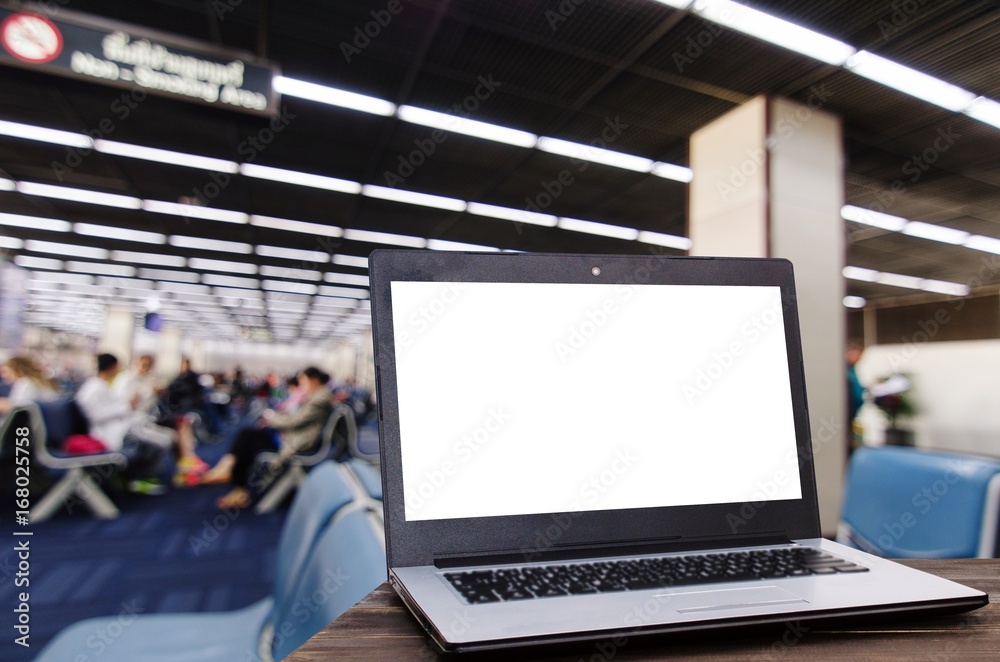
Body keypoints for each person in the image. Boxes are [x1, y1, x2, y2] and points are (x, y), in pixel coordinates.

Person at [201, 367, 334, 509]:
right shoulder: (317, 396)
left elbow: (295, 421)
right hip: (293, 438)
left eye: (304, 381)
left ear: (314, 380)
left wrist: (273, 419)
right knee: (247, 435)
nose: (302, 385)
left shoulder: (319, 398)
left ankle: (236, 484)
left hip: (297, 444)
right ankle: (229, 472)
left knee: (248, 440)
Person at [76, 353, 207, 494]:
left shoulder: (100, 385)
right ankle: (142, 476)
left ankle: (165, 470)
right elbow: (98, 416)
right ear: (113, 367)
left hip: (127, 424)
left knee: (170, 434)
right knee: (164, 439)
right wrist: (128, 405)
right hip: (113, 430)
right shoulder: (97, 387)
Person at [846, 340, 865, 452]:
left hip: (852, 414)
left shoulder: (852, 370)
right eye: (856, 354)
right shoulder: (843, 370)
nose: (858, 358)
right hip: (846, 413)